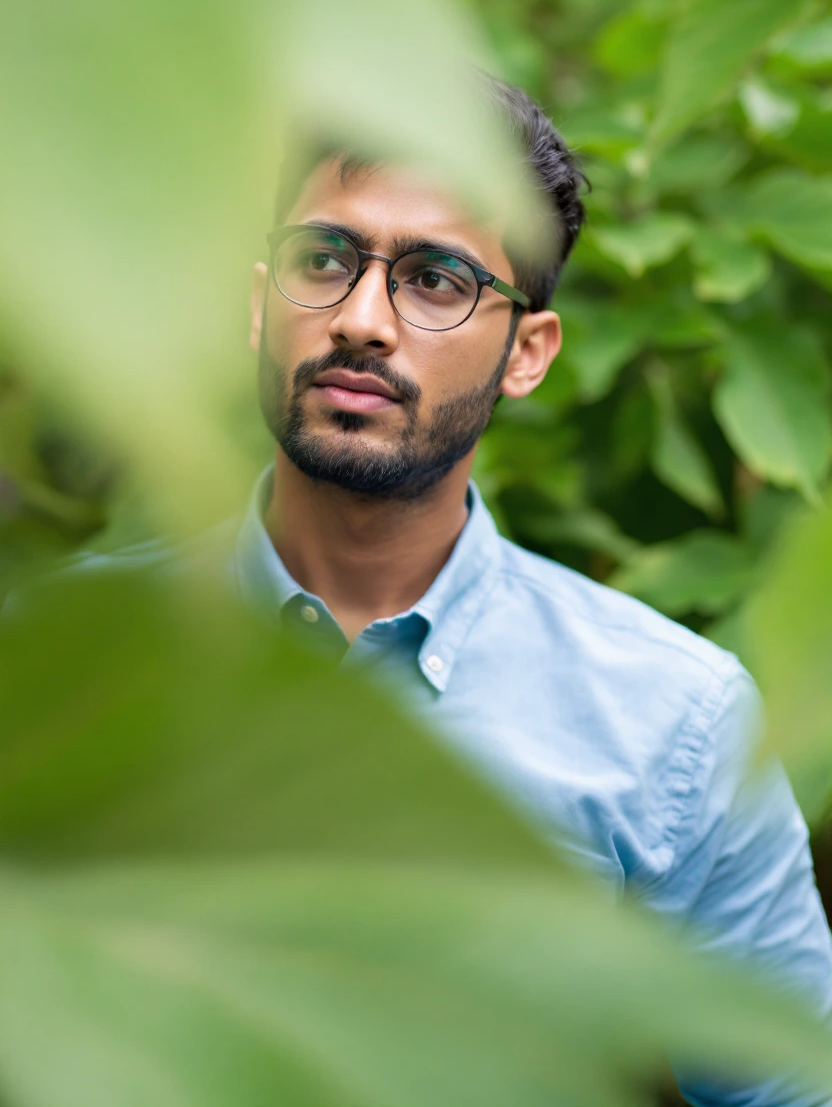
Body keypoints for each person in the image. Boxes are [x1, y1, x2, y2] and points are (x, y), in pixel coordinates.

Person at [20, 75, 832, 1104]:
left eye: (436, 280)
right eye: (324, 261)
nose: (361, 320)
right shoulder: (54, 657)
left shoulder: (674, 721)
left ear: (526, 354)